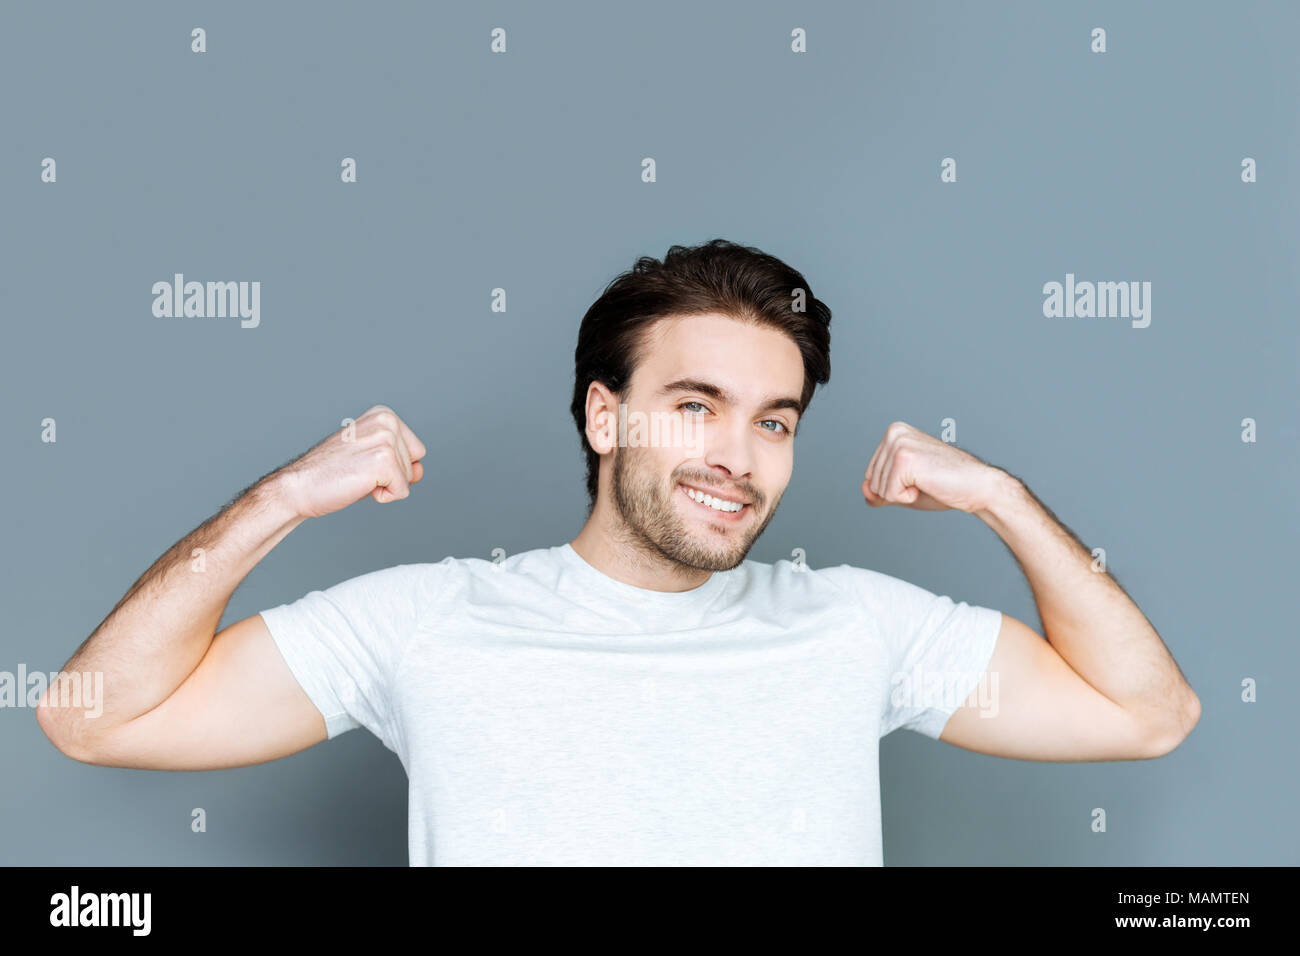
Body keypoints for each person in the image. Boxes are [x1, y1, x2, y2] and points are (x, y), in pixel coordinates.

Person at [36, 238, 1200, 866]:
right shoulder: (426, 619)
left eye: (774, 419)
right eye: (693, 404)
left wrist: (1000, 498)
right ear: (606, 417)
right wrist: (283, 498)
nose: (736, 454)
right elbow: (95, 717)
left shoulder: (859, 625)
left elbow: (1148, 713)